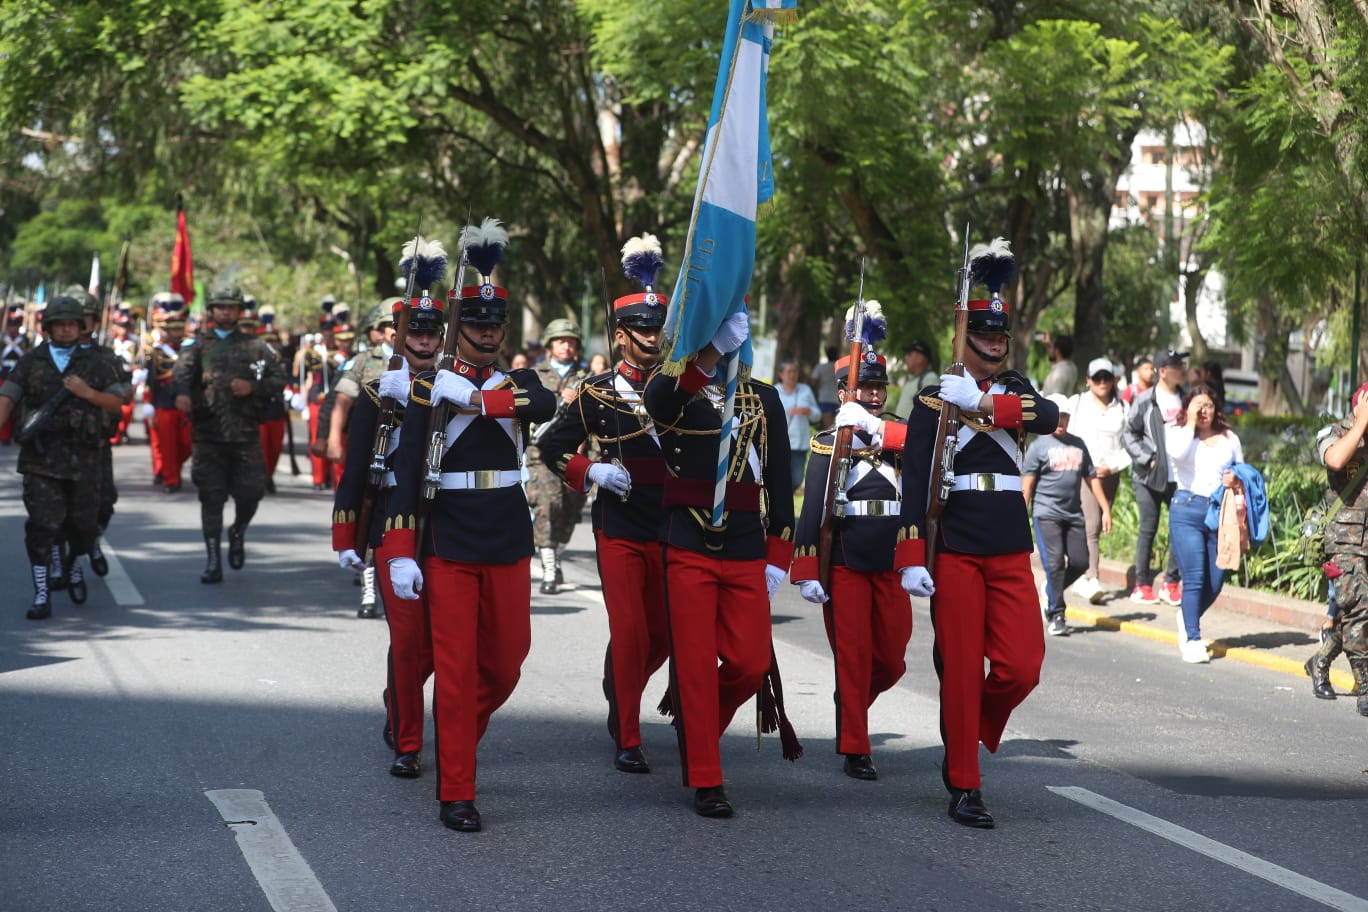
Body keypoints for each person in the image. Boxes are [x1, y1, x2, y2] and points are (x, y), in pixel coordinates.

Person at [382, 218, 557, 832]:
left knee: (506, 663)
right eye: (476, 323)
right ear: (458, 328)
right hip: (448, 537)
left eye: (495, 323)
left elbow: (545, 403)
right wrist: (400, 550)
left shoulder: (519, 381)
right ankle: (457, 786)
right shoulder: (426, 387)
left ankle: (451, 734)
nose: (487, 332)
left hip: (504, 531)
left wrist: (479, 400)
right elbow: (406, 473)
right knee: (455, 672)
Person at [894, 239, 1059, 828]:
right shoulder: (932, 400)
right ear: (964, 336)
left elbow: (1049, 417)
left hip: (1009, 540)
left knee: (1022, 665)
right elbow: (914, 483)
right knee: (962, 670)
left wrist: (986, 404)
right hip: (957, 543)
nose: (993, 343)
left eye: (999, 336)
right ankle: (964, 781)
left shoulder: (1014, 387)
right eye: (983, 335)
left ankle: (972, 731)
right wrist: (912, 555)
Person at [643, 308, 797, 819]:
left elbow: (779, 482)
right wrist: (708, 356)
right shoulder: (675, 386)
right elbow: (659, 401)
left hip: (746, 544)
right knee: (693, 664)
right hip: (688, 540)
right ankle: (707, 778)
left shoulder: (764, 398)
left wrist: (779, 554)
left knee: (750, 664)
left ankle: (698, 725)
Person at [538, 233, 672, 775]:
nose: (652, 337)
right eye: (643, 329)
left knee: (663, 634)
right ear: (621, 335)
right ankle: (629, 736)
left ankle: (619, 683)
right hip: (618, 523)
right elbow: (552, 447)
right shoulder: (595, 392)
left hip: (673, 523)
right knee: (632, 632)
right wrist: (590, 470)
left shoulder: (678, 387)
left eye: (658, 328)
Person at [333, 247, 447, 778]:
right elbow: (356, 468)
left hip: (446, 522)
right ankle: (407, 740)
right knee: (407, 639)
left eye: (431, 333)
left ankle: (397, 697)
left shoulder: (453, 389)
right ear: (396, 337)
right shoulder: (378, 392)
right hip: (391, 524)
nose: (423, 341)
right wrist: (346, 536)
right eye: (414, 333)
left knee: (437, 644)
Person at [790, 307, 912, 782]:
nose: (875, 395)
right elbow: (811, 511)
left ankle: (850, 702)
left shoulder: (897, 433)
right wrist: (807, 571)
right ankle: (856, 746)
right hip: (845, 560)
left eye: (880, 388)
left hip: (893, 560)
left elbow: (924, 449)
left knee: (892, 660)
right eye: (866, 388)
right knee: (854, 657)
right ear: (844, 393)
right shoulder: (828, 442)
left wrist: (875, 427)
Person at [0, 295, 130, 619]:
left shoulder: (97, 363)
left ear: (81, 327)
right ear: (48, 328)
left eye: (72, 324)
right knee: (43, 525)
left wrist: (88, 393)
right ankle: (41, 593)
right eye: (60, 325)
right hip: (41, 460)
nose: (67, 329)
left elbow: (117, 402)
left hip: (85, 460)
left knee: (84, 526)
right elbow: (8, 398)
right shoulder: (31, 362)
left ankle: (73, 566)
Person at [172, 283, 287, 583]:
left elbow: (279, 377)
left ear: (239, 311)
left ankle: (238, 530)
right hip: (207, 435)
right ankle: (213, 559)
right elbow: (180, 375)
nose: (226, 312)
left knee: (251, 493)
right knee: (211, 498)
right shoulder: (196, 345)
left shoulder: (256, 346)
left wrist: (254, 386)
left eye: (231, 307)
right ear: (211, 311)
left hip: (245, 435)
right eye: (220, 307)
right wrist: (182, 394)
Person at [1022, 394, 1112, 636]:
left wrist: (1105, 509)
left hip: (1073, 514)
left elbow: (1091, 478)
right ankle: (1057, 614)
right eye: (1057, 416)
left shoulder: (1078, 444)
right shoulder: (1038, 446)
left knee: (1081, 562)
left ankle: (1051, 590)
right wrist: (1020, 516)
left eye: (1064, 416)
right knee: (1054, 564)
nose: (1060, 420)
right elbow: (1027, 484)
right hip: (1046, 514)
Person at [1164, 384, 1242, 663]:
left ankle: (1187, 616)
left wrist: (1235, 479)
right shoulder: (1178, 433)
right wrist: (1190, 421)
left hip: (1220, 512)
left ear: (1216, 408)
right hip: (1186, 509)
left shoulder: (1229, 438)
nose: (1203, 411)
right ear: (1187, 409)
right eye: (1197, 405)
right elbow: (1176, 454)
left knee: (1216, 580)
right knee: (1195, 577)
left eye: (1207, 405)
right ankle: (1193, 639)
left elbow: (1241, 471)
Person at [1304, 382, 1368, 712]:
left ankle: (1320, 661)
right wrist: (1361, 423)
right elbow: (1336, 459)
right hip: (1345, 541)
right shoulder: (1334, 432)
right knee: (1359, 608)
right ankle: (1366, 685)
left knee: (1353, 616)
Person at [524, 317, 588, 594]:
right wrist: (558, 397)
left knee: (571, 508)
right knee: (547, 505)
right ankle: (549, 570)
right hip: (540, 452)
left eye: (571, 342)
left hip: (576, 452)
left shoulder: (586, 377)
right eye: (561, 341)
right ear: (550, 346)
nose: (567, 346)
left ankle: (557, 554)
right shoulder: (534, 375)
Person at [1122, 349, 1187, 606]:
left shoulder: (1187, 399)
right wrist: (1147, 457)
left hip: (1179, 477)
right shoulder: (1146, 400)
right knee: (1148, 529)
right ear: (1163, 372)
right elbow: (1129, 433)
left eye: (1182, 364)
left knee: (1180, 529)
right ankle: (1142, 585)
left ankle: (1170, 584)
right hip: (1148, 477)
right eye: (1177, 366)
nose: (1182, 369)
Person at [1066, 357, 1130, 602]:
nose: (1102, 382)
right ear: (1088, 380)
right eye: (1097, 377)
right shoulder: (1077, 403)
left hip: (1110, 475)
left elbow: (1129, 445)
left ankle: (1080, 573)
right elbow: (1065, 432)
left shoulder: (1123, 407)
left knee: (1100, 523)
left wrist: (1112, 466)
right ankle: (1091, 576)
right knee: (1091, 524)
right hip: (1083, 473)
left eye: (1106, 377)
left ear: (1114, 380)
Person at [145, 293, 193, 493]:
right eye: (171, 328)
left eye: (178, 328)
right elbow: (151, 380)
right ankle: (171, 479)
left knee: (188, 443)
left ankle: (171, 467)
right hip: (164, 403)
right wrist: (150, 404)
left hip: (187, 404)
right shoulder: (156, 351)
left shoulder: (191, 349)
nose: (175, 332)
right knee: (167, 444)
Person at [775, 359, 820, 487]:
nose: (792, 375)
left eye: (795, 371)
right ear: (781, 374)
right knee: (778, 477)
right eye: (789, 371)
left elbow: (817, 415)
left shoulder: (805, 390)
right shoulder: (774, 391)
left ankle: (787, 496)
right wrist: (788, 411)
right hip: (780, 442)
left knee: (797, 479)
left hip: (800, 444)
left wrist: (809, 411)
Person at [892, 339, 938, 420]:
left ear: (920, 358)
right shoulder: (913, 379)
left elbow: (929, 415)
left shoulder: (930, 378)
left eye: (909, 354)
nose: (906, 357)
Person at [1040, 332, 1078, 396]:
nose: (1051, 348)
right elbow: (1054, 361)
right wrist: (1048, 345)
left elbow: (1056, 398)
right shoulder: (1071, 367)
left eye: (1052, 347)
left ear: (1057, 351)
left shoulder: (1059, 373)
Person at [811, 344, 839, 427]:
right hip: (838, 399)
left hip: (825, 399)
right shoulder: (840, 367)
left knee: (828, 428)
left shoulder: (820, 367)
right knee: (838, 428)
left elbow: (813, 382)